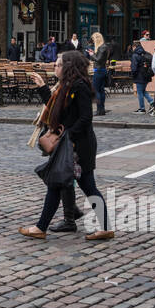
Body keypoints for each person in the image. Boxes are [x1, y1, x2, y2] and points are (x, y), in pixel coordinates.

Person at [20, 49, 113, 241]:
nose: (55, 66)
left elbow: (86, 117)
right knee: (68, 184)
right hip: (72, 144)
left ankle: (42, 227)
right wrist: (43, 87)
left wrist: (68, 136)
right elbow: (57, 110)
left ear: (69, 67)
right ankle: (44, 227)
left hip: (78, 146)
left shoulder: (79, 87)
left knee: (78, 185)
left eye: (59, 64)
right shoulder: (65, 86)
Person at [90, 31, 113, 117]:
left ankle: (99, 110)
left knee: (96, 91)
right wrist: (94, 53)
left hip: (99, 71)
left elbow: (98, 59)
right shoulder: (105, 47)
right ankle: (102, 109)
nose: (92, 41)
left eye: (93, 39)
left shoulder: (101, 47)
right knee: (101, 90)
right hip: (102, 70)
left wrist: (92, 55)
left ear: (96, 39)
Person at [130, 37, 153, 113]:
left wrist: (133, 75)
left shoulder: (135, 55)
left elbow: (134, 68)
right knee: (143, 91)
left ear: (134, 47)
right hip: (146, 75)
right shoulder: (145, 53)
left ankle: (142, 108)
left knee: (140, 92)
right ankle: (152, 103)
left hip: (139, 77)